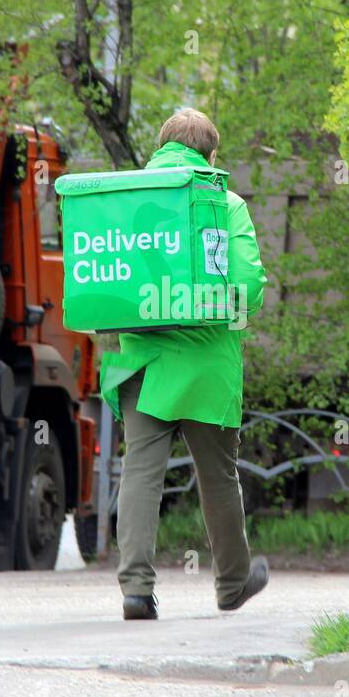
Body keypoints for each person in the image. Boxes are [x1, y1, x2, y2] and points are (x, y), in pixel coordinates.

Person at [97, 109, 271, 621]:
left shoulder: (128, 199)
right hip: (206, 365)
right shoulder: (224, 202)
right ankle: (232, 584)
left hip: (144, 361)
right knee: (218, 476)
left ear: (161, 147)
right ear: (210, 155)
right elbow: (251, 288)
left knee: (140, 473)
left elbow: (110, 274)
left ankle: (135, 589)